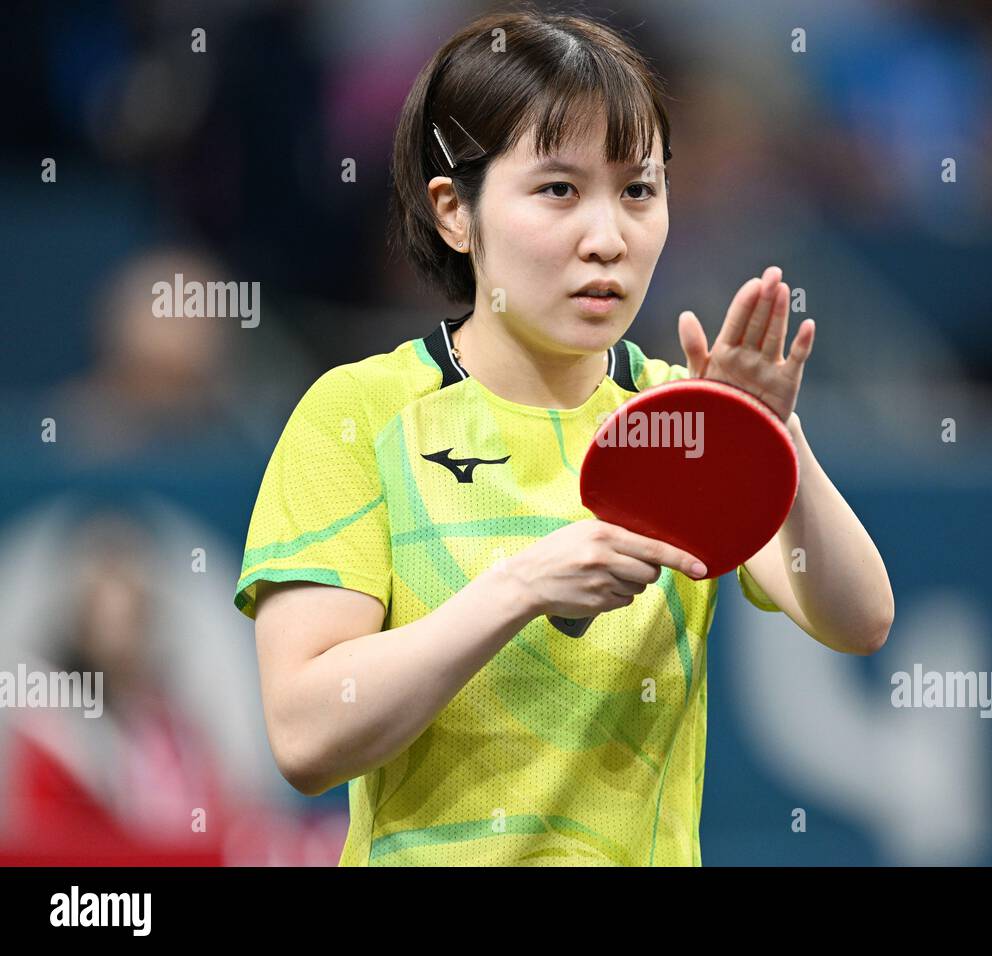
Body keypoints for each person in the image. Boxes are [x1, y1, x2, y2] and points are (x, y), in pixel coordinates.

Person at [233, 7, 894, 867]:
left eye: (638, 191)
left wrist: (776, 444)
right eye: (558, 190)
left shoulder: (680, 422)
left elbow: (859, 619)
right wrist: (519, 590)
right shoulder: (359, 411)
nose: (607, 238)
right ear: (455, 213)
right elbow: (305, 736)